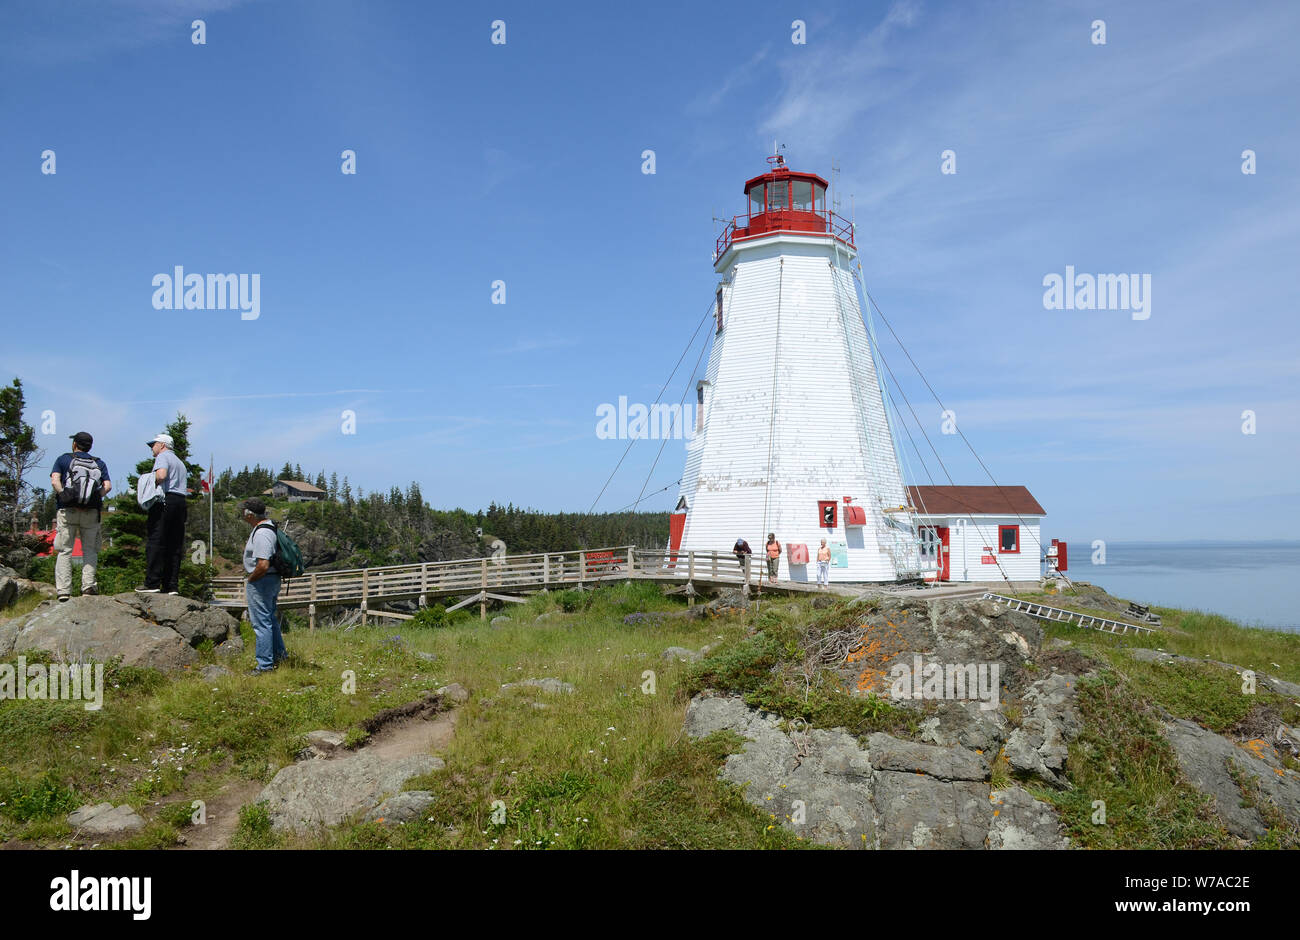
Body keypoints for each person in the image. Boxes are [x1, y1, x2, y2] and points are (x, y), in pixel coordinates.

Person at [49, 431, 111, 602]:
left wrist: (64, 496)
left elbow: (55, 480)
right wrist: (95, 498)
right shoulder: (98, 463)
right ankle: (88, 587)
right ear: (90, 446)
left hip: (67, 511)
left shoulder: (63, 459)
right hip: (91, 513)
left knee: (65, 550)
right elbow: (108, 486)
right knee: (90, 550)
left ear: (74, 444)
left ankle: (63, 591)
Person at [137, 433, 188, 595]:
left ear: (163, 445)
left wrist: (149, 481)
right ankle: (171, 585)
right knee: (175, 544)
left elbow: (161, 475)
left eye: (154, 444)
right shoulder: (180, 462)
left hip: (165, 501)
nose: (152, 447)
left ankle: (152, 582)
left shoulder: (163, 457)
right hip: (180, 502)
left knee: (156, 541)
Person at [240, 498, 287, 674]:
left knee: (261, 623)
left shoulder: (261, 533)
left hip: (263, 580)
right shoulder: (269, 528)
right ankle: (279, 656)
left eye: (243, 511)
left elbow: (263, 564)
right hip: (271, 579)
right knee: (270, 620)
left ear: (249, 514)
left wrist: (251, 579)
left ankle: (265, 665)